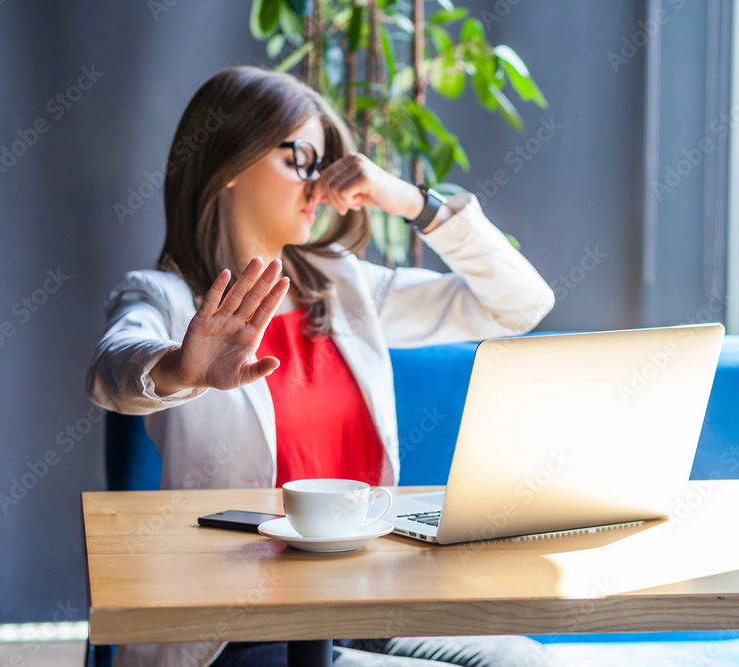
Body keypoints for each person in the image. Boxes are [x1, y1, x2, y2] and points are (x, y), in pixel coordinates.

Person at [86, 66, 559, 667]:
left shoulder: (347, 290)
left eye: (323, 167)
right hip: (240, 627)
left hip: (362, 602)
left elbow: (520, 303)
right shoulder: (165, 298)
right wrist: (182, 368)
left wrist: (410, 200)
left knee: (524, 661)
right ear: (228, 165)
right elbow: (111, 374)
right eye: (299, 160)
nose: (316, 186)